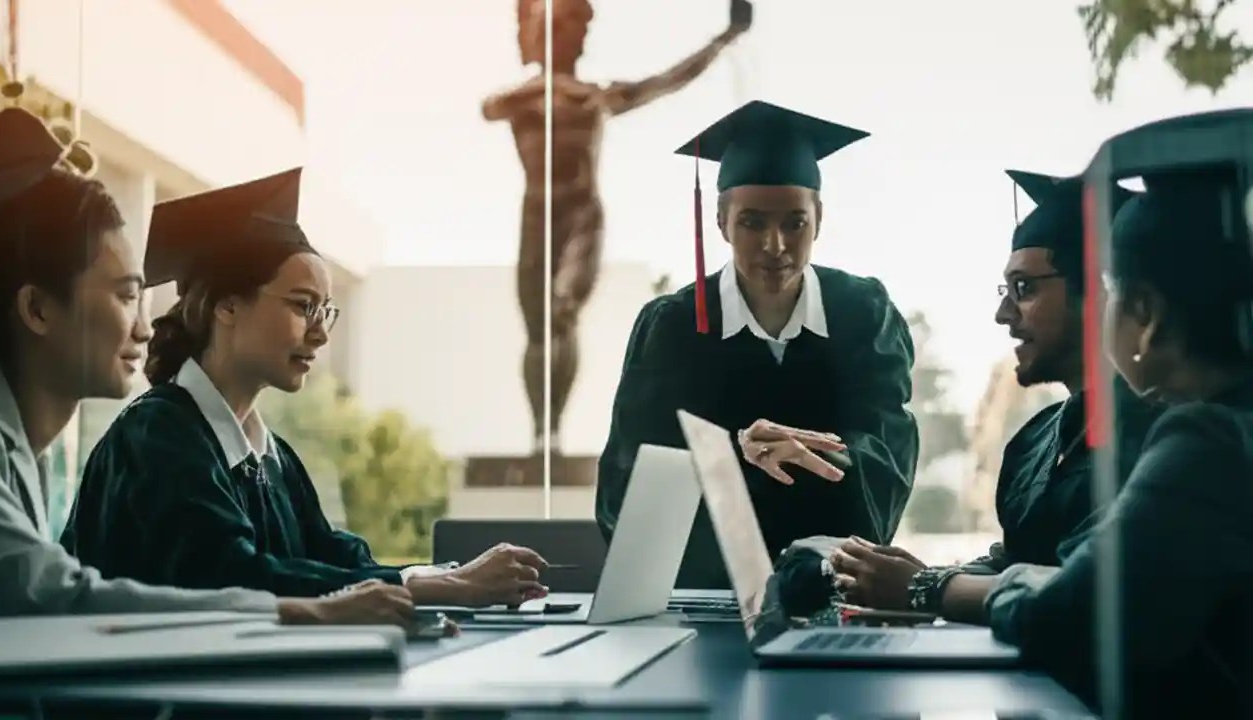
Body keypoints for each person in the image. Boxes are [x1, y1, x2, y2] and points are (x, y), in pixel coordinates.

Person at [0, 107, 418, 626]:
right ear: (38, 309)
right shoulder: (155, 432)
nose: (143, 327)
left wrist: (428, 581)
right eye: (125, 297)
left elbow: (332, 552)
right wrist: (304, 611)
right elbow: (53, 596)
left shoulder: (24, 447)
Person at [62, 169, 548, 607]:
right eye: (302, 306)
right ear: (226, 306)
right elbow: (232, 578)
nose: (320, 333)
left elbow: (334, 557)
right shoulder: (158, 434)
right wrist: (443, 588)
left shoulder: (270, 455)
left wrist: (453, 576)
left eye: (325, 311)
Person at [597, 100, 919, 589]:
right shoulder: (673, 326)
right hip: (706, 596)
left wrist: (819, 454)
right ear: (722, 221)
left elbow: (888, 454)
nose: (775, 245)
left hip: (834, 589)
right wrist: (735, 451)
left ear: (820, 219)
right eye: (752, 222)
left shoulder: (862, 312)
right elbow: (631, 476)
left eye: (795, 222)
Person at [979, 156, 1253, 714]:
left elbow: (1070, 614)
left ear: (1144, 313)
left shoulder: (1205, 443)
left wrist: (980, 587)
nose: (1005, 314)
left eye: (1115, 294)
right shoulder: (1221, 430)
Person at [826, 170, 1159, 615]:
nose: (1004, 314)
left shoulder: (1165, 437)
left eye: (1024, 289)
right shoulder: (1035, 440)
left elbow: (1087, 589)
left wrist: (925, 588)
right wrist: (889, 575)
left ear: (1101, 292)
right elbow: (1017, 562)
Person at [482, 0, 750, 452]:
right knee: (536, 330)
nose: (561, 38)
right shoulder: (517, 100)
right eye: (550, 29)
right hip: (536, 219)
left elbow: (671, 80)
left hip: (581, 216)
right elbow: (488, 108)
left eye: (569, 29)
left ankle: (550, 433)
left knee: (562, 309)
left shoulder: (597, 97)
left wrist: (725, 38)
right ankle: (542, 434)